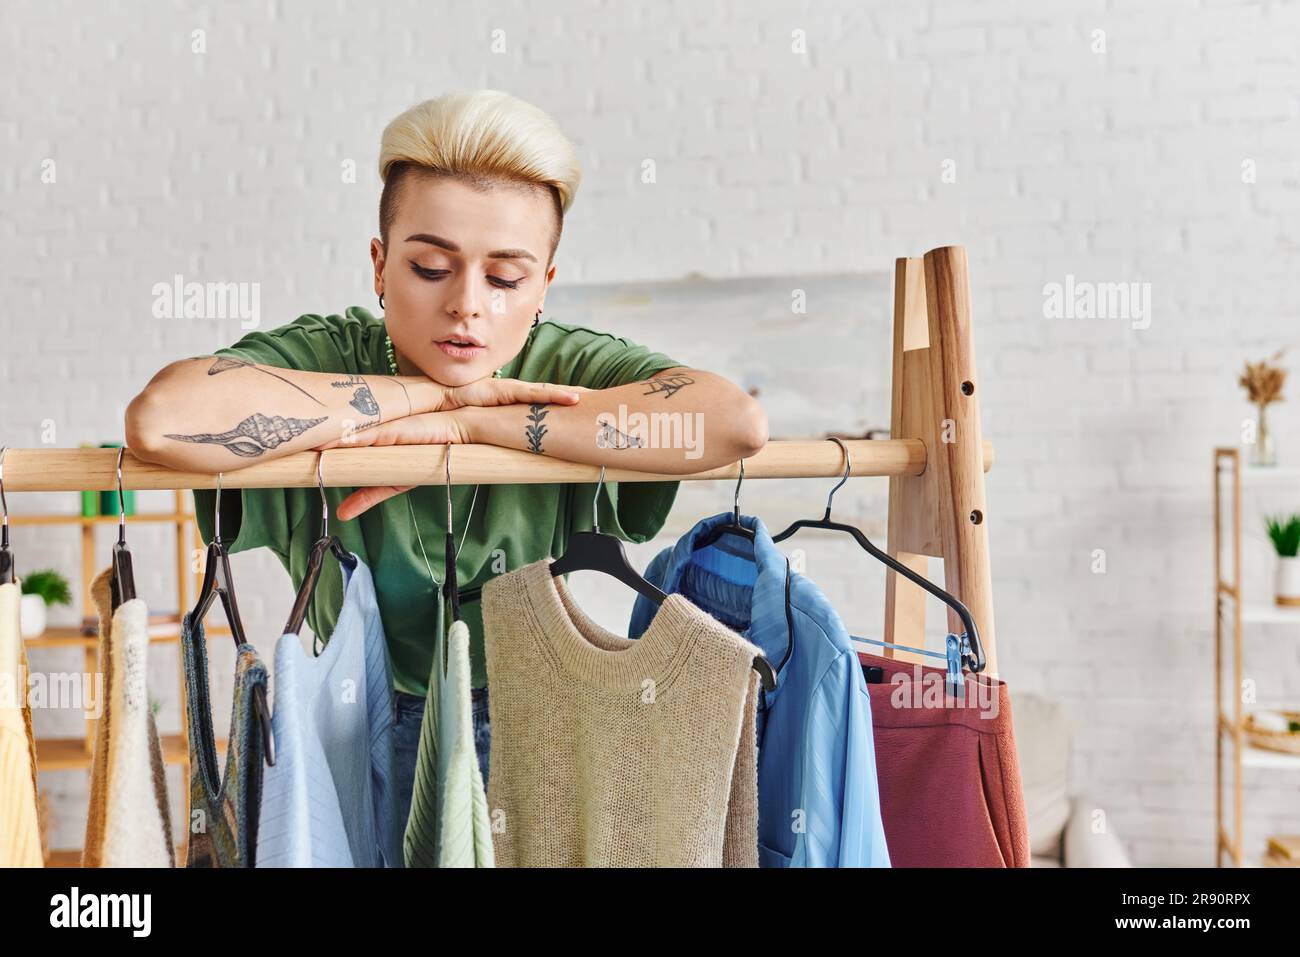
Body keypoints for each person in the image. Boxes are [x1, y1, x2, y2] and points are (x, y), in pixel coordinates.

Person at [125, 89, 769, 831]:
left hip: (544, 719)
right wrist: (413, 399)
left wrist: (470, 423)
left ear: (543, 288)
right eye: (431, 267)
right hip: (354, 716)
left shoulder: (571, 363)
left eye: (504, 279)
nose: (467, 305)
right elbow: (161, 419)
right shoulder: (329, 355)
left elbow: (735, 424)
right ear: (379, 264)